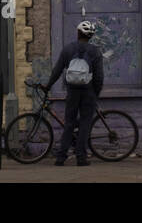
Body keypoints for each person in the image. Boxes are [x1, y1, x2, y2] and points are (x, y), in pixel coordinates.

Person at [44, 20, 105, 166]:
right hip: (88, 91)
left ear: (78, 33)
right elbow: (99, 77)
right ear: (90, 36)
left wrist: (48, 86)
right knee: (85, 123)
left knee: (69, 123)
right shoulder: (95, 51)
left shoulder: (68, 49)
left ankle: (61, 157)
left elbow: (57, 70)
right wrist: (95, 93)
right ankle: (81, 158)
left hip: (72, 91)